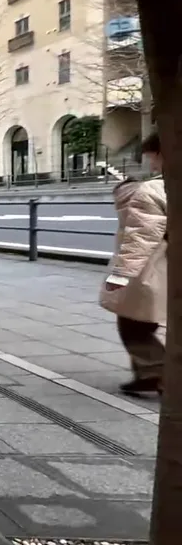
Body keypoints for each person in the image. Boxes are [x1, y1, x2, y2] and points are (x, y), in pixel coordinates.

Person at [101, 132, 166, 397]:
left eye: (152, 158)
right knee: (143, 323)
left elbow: (141, 238)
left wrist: (120, 275)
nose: (152, 165)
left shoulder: (153, 190)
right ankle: (149, 373)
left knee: (132, 322)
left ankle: (157, 373)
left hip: (154, 269)